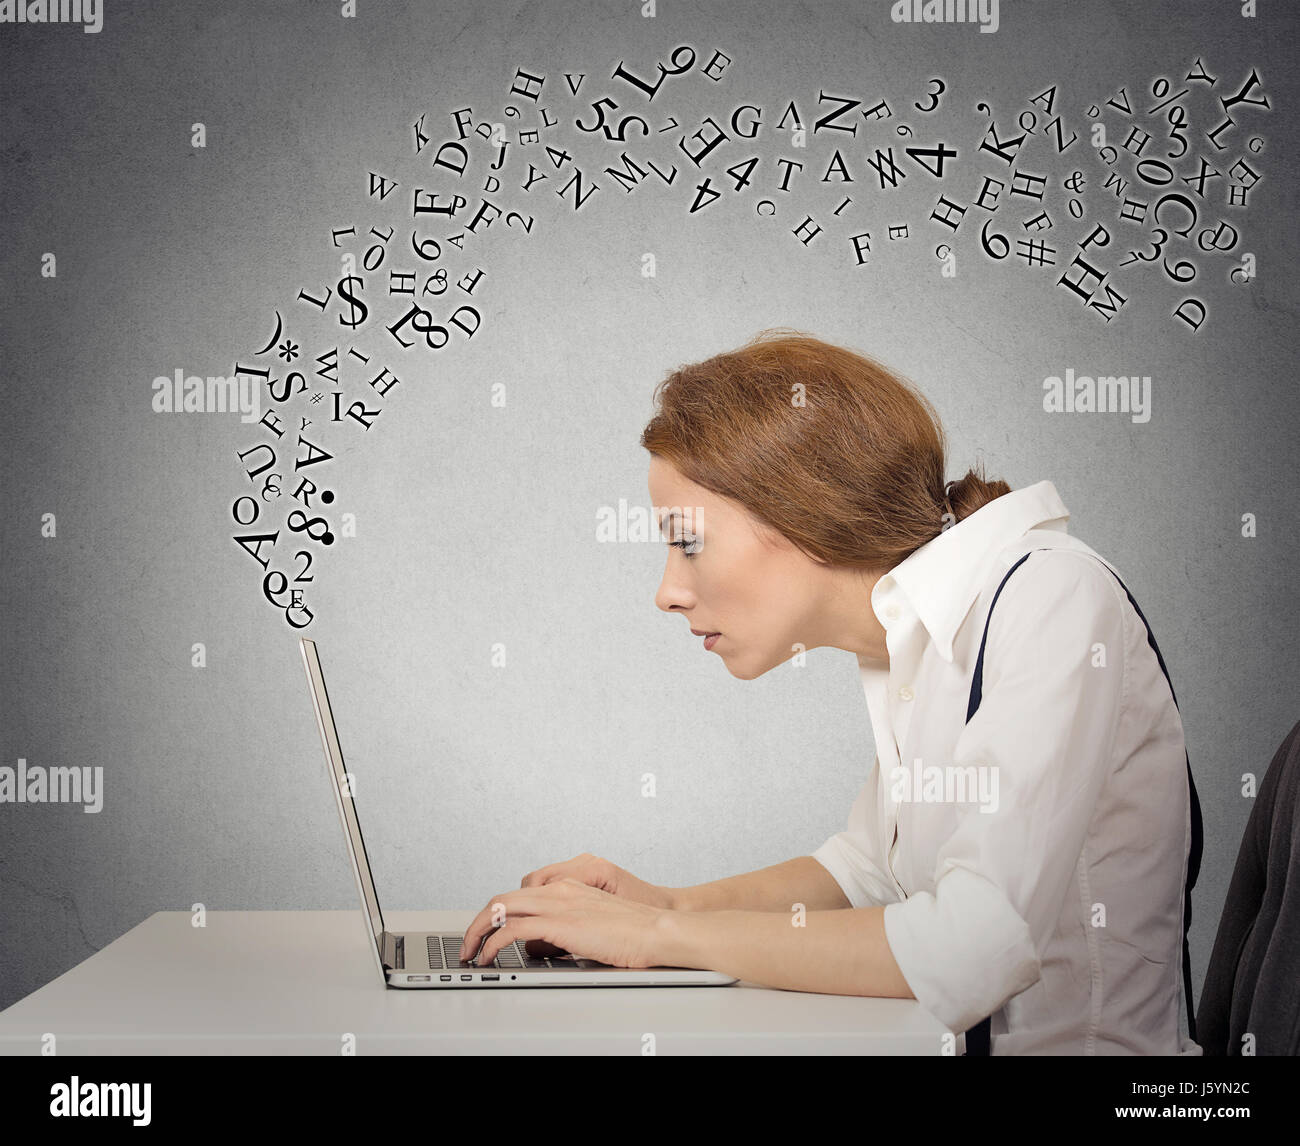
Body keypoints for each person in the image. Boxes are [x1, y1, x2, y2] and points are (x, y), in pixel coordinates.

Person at [459, 328, 1195, 1055]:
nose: (667, 592)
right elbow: (865, 871)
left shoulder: (1050, 597)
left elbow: (972, 946)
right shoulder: (906, 639)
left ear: (801, 510)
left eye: (687, 542)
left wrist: (655, 938)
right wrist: (664, 902)